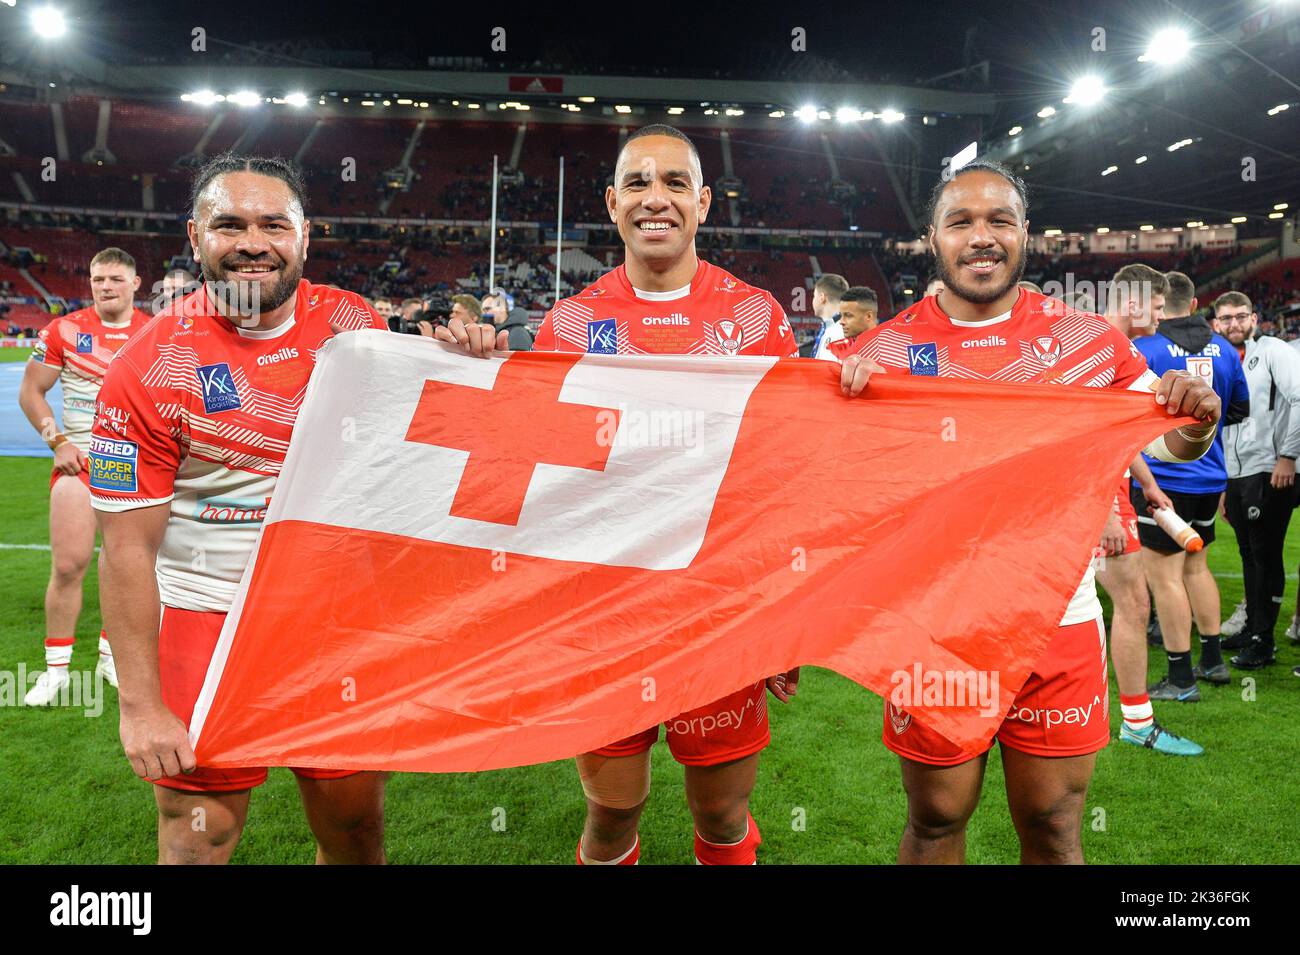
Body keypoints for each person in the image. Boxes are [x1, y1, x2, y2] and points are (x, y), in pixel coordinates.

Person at [834, 159, 1221, 863]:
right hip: (937, 624)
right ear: (932, 237)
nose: (981, 236)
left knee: (1051, 823)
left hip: (1060, 617)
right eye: (961, 221)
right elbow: (834, 488)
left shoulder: (1090, 342)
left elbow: (1168, 438)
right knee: (935, 818)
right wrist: (846, 413)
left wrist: (1195, 420)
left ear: (1025, 233)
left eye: (998, 220)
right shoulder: (880, 352)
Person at [438, 123, 798, 866]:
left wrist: (783, 618)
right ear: (610, 202)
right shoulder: (571, 324)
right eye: (636, 183)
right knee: (612, 813)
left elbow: (784, 473)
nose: (654, 198)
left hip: (719, 609)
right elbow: (529, 474)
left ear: (703, 202)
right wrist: (474, 371)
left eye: (673, 183)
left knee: (725, 817)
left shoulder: (756, 318)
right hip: (601, 613)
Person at [89, 154, 388, 865]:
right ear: (196, 238)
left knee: (354, 836)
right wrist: (139, 705)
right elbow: (126, 549)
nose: (252, 241)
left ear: (304, 237)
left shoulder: (356, 324)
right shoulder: (146, 366)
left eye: (272, 224)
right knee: (199, 841)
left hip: (331, 622)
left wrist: (468, 348)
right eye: (229, 223)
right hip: (203, 622)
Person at [18, 247, 150, 705]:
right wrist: (59, 442)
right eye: (98, 280)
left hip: (133, 469)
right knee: (69, 565)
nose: (106, 286)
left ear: (135, 283)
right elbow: (31, 392)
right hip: (78, 462)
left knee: (128, 568)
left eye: (115, 278)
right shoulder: (65, 329)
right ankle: (56, 670)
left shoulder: (155, 332)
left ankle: (111, 655)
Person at [1132, 271, 1249, 698]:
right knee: (1196, 566)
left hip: (1161, 478)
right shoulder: (1225, 350)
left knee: (1164, 576)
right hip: (1209, 475)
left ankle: (1181, 678)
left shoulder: (1144, 349)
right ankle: (1213, 660)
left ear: (1161, 303)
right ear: (1197, 305)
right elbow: (1237, 409)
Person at [1099, 266, 1202, 754]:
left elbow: (1117, 432)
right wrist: (1105, 512)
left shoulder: (1110, 346)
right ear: (1136, 303)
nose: (1164, 315)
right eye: (1158, 306)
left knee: (1122, 604)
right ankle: (1135, 721)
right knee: (1133, 603)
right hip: (1091, 497)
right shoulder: (1095, 346)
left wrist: (1148, 483)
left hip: (1105, 490)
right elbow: (1075, 437)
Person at [1218, 291, 1300, 668]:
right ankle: (1253, 627)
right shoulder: (1220, 360)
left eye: (1240, 316)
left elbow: (1299, 400)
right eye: (1226, 318)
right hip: (1236, 473)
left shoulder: (1272, 351)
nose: (1234, 323)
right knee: (1249, 555)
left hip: (1270, 468)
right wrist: (1224, 482)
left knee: (1265, 556)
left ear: (1254, 318)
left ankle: (1264, 642)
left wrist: (1288, 456)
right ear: (1216, 323)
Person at [813, 286, 877, 360]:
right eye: (842, 315)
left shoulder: (887, 352)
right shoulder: (836, 348)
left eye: (848, 315)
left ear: (868, 316)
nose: (841, 321)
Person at [805, 273, 848, 358]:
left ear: (822, 298)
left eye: (814, 296)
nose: (813, 300)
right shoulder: (831, 328)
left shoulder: (841, 331)